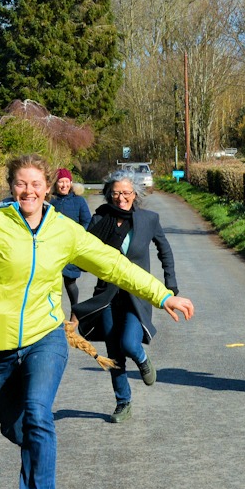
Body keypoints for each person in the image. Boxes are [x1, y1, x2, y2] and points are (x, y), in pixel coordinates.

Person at [0, 154, 195, 489]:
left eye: (36, 184)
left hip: (45, 336)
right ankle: (37, 462)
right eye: (21, 184)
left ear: (47, 187)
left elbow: (114, 265)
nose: (28, 191)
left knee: (38, 414)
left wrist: (164, 294)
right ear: (11, 186)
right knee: (17, 429)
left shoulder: (64, 231)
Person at [72, 176, 179, 422]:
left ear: (135, 194)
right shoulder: (99, 220)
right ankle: (123, 403)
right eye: (117, 193)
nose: (122, 198)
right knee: (113, 352)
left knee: (130, 344)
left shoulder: (148, 220)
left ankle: (142, 359)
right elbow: (85, 253)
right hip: (107, 296)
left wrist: (170, 284)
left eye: (127, 193)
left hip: (137, 296)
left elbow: (165, 250)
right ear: (110, 195)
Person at [48, 167, 91, 306]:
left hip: (71, 246)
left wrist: (76, 235)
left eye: (67, 181)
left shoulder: (79, 201)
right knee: (51, 283)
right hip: (53, 247)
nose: (64, 185)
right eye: (61, 182)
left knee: (70, 282)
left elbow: (87, 221)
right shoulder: (50, 201)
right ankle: (53, 314)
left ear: (71, 183)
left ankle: (74, 310)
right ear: (56, 184)